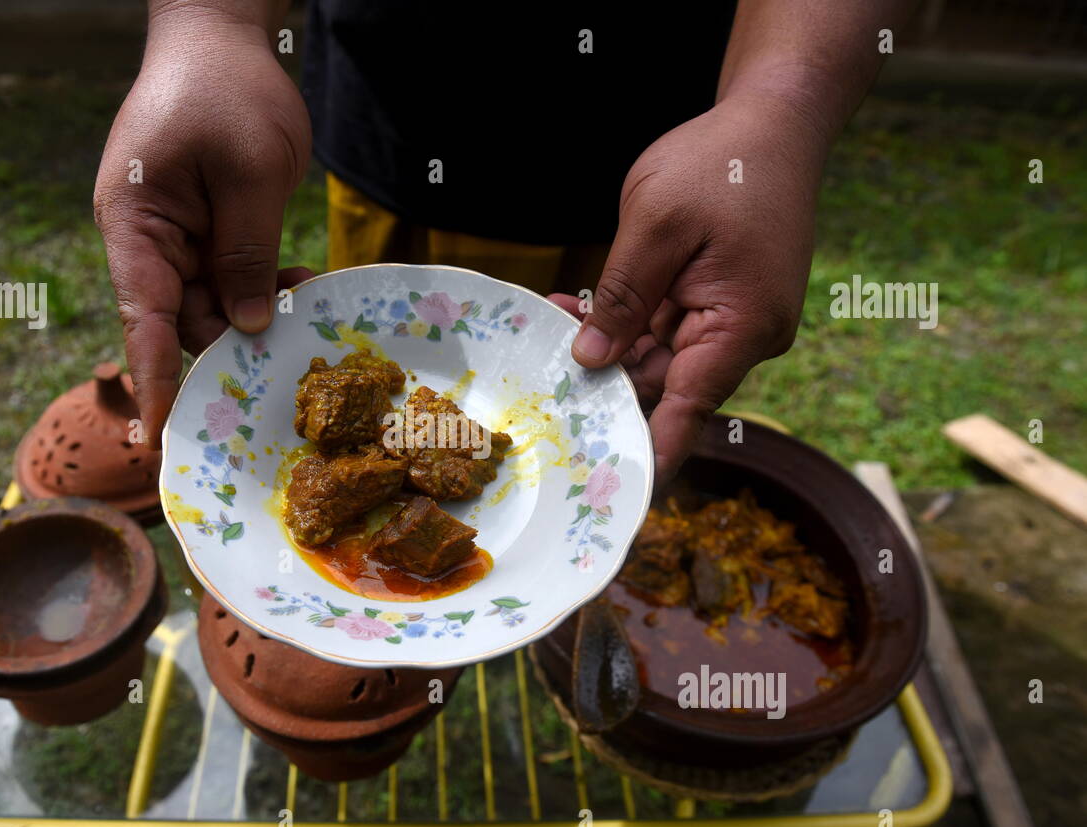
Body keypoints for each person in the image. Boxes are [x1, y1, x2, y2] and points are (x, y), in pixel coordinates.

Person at [93, 0, 909, 484]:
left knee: (599, 427)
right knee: (377, 363)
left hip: (662, 168)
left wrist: (778, 109)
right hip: (397, 118)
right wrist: (207, 21)